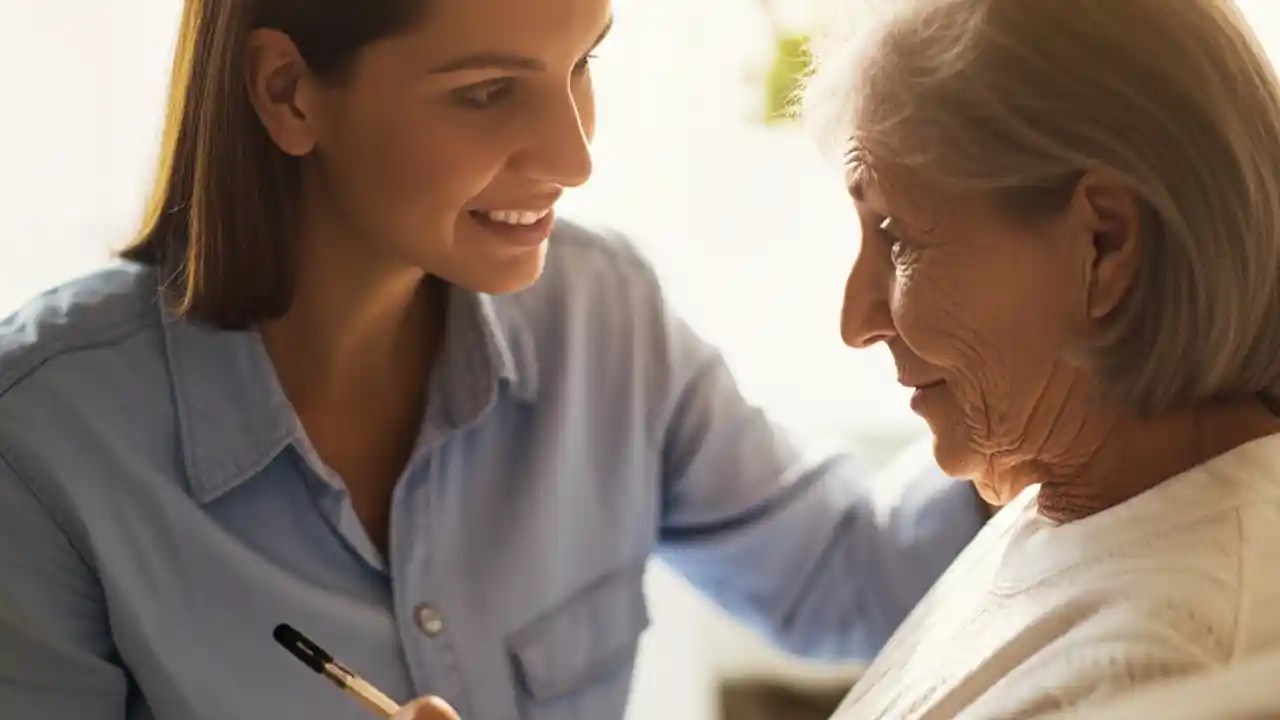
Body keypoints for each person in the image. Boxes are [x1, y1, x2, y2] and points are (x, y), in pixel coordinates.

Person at [0, 1, 988, 719]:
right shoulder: (43, 445)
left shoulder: (603, 320)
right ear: (288, 93)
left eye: (581, 67)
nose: (572, 155)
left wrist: (1067, 382)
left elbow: (849, 577)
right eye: (485, 93)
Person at [798, 0, 1280, 717]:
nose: (855, 320)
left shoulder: (1166, 667)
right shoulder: (1080, 501)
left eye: (896, 234)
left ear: (1103, 246)